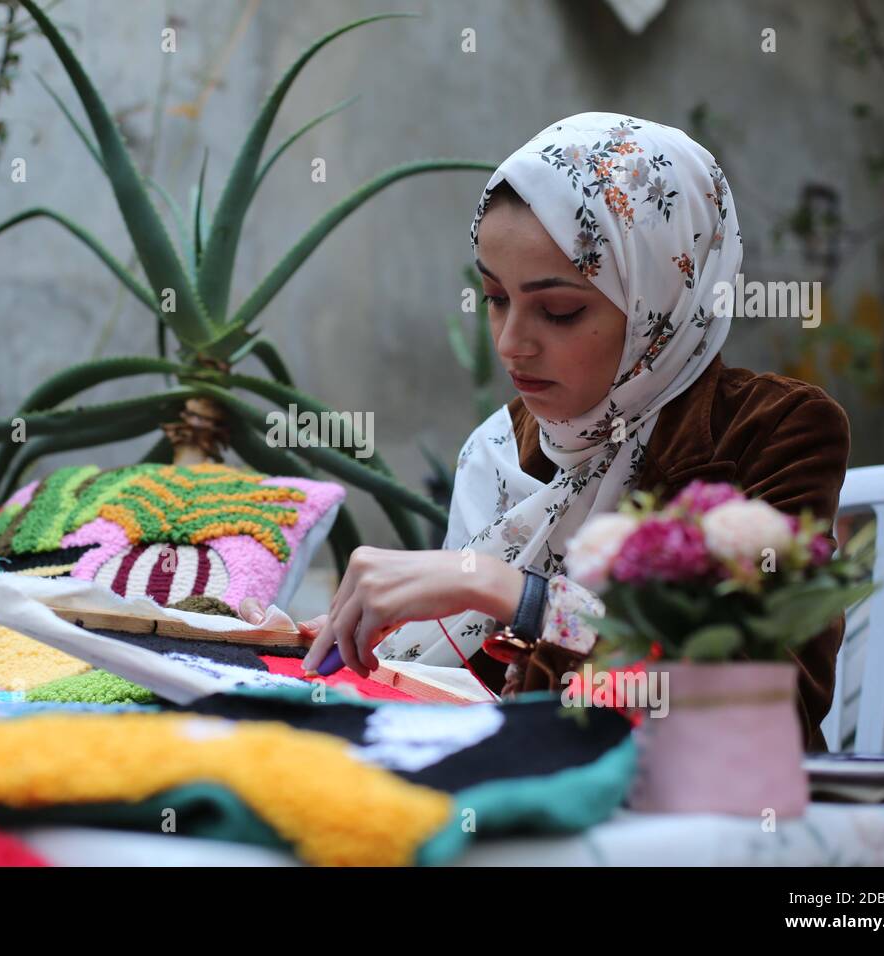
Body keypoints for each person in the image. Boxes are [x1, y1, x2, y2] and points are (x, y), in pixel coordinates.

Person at [239, 113, 850, 751]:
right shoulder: (502, 446)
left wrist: (514, 594)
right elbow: (470, 685)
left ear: (659, 302)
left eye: (559, 310)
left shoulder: (767, 433)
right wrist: (360, 642)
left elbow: (768, 715)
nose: (511, 345)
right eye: (496, 298)